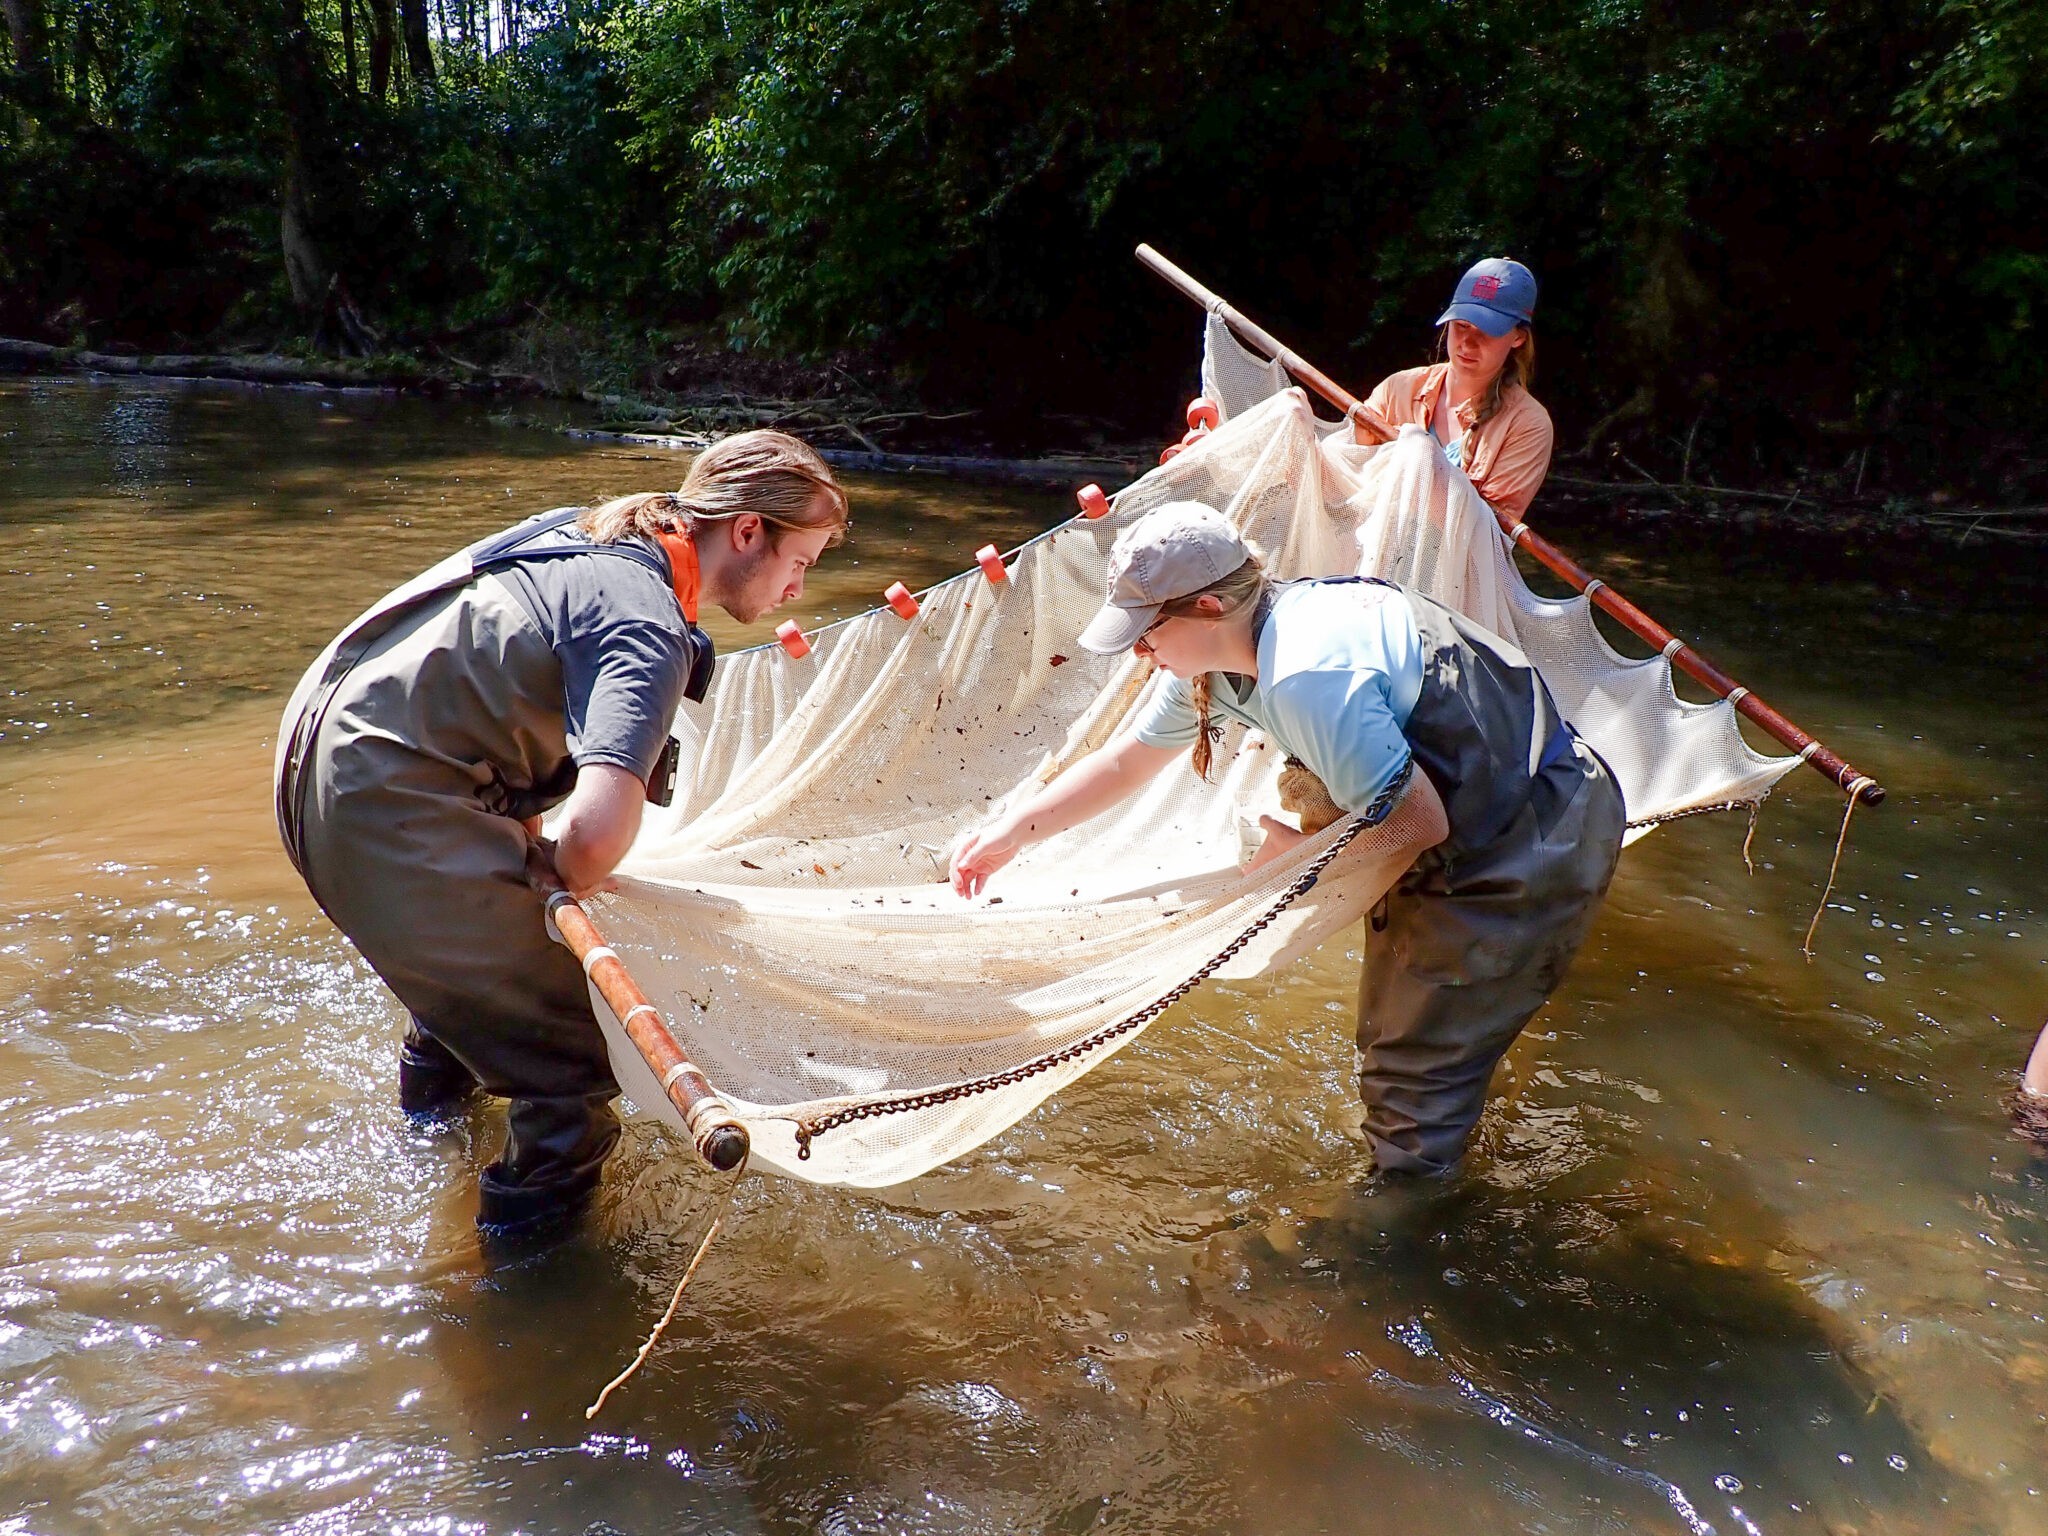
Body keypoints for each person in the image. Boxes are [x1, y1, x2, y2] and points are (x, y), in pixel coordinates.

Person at [275, 430, 849, 1235]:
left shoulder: (594, 533)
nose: (798, 588)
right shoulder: (647, 623)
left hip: (317, 756)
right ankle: (530, 1308)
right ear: (747, 531)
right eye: (804, 561)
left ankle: (422, 1144)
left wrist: (521, 873)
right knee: (579, 1060)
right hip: (383, 799)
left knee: (491, 979)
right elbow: (592, 841)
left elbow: (500, 710)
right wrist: (558, 869)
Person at [949, 502, 1624, 1176]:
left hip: (1529, 834)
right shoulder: (1218, 655)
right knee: (1398, 1036)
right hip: (1481, 808)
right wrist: (1010, 835)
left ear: (1208, 606)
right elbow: (1128, 761)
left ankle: (1396, 1244)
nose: (1139, 653)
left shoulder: (1307, 675)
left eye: (1145, 633)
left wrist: (1290, 866)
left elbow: (1419, 824)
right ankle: (1457, 1143)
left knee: (1411, 1083)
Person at [1349, 256, 1553, 519]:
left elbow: (1489, 529)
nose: (1467, 344)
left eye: (1487, 331)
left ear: (1518, 338)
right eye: (1462, 326)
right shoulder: (1398, 388)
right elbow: (1350, 465)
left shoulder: (1529, 425)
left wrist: (1419, 457)